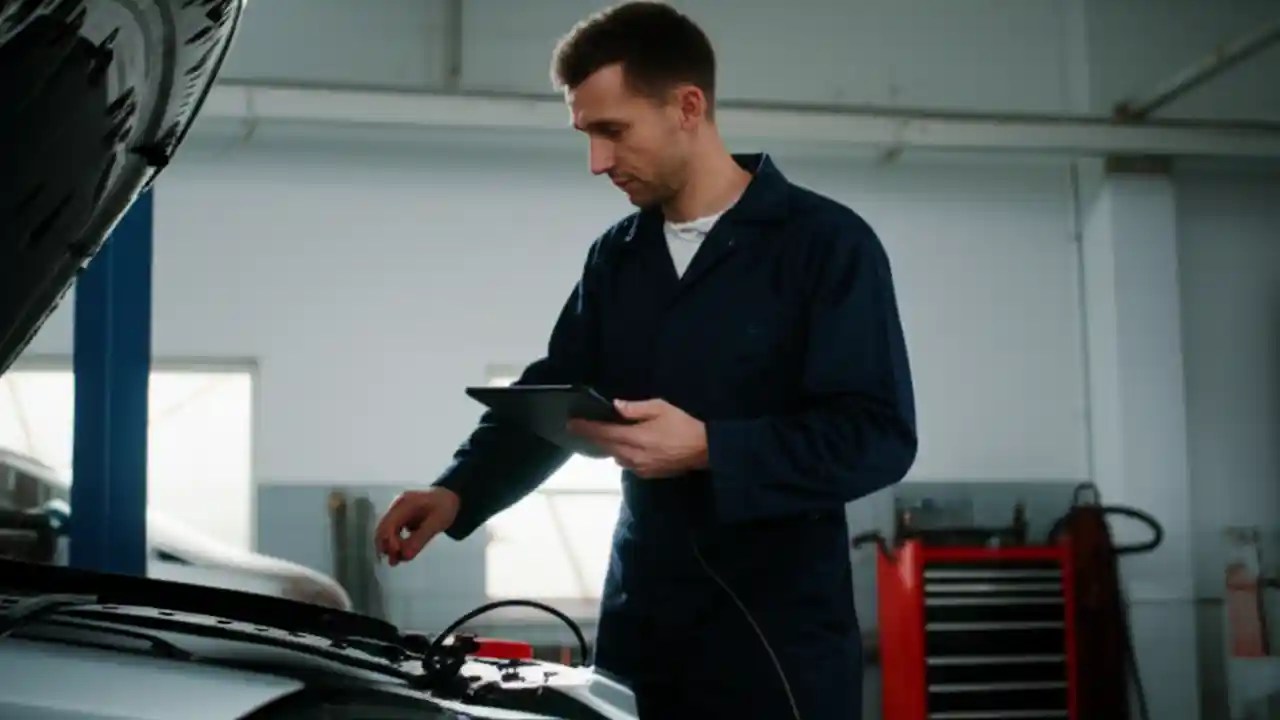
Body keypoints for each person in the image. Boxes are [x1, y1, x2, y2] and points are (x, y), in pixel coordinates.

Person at [374, 2, 917, 718]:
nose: (596, 162)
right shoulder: (617, 257)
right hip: (641, 629)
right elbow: (558, 392)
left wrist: (711, 448)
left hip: (775, 643)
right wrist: (460, 490)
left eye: (612, 131)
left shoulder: (826, 246)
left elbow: (876, 437)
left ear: (688, 107)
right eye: (585, 134)